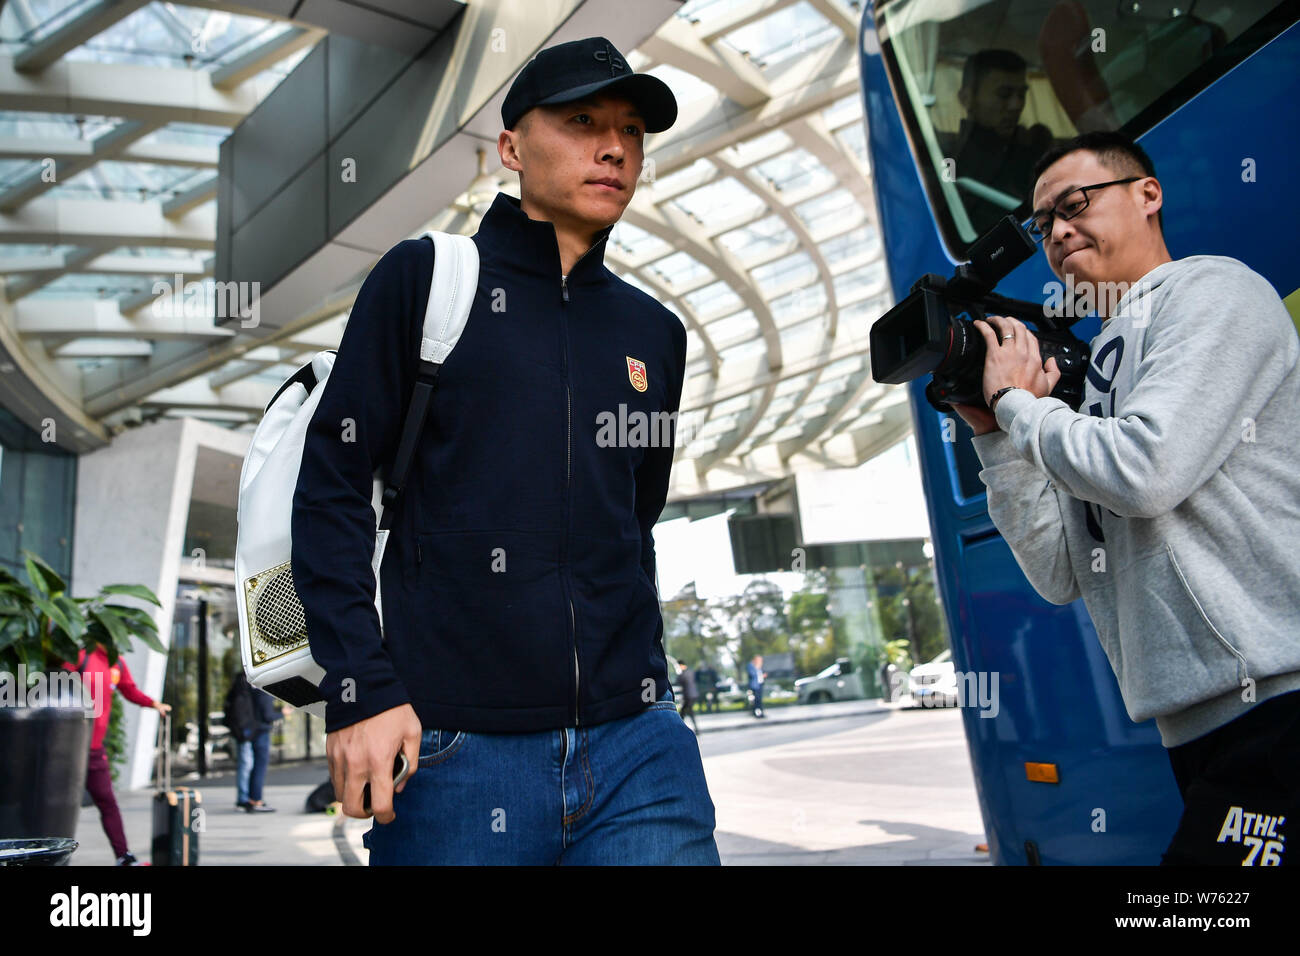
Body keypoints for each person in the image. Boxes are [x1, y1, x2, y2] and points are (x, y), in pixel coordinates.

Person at [291, 36, 719, 864]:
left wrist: (652, 686)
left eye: (632, 131)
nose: (614, 148)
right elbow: (331, 489)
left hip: (640, 753)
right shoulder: (425, 281)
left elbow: (634, 525)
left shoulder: (654, 334)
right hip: (454, 754)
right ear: (512, 148)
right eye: (583, 121)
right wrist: (360, 688)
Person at [952, 130, 1300, 865]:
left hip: (1279, 696)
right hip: (1195, 725)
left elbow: (1146, 470)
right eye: (1043, 223)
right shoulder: (1096, 369)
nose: (1057, 231)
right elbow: (1062, 572)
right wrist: (994, 435)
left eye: (1075, 204)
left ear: (1147, 194)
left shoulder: (1213, 292)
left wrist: (1017, 403)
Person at [63, 643, 171, 866]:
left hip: (94, 750)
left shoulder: (117, 662)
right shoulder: (80, 656)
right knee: (59, 805)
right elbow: (54, 688)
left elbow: (129, 689)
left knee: (108, 802)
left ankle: (123, 857)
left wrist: (154, 704)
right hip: (67, 749)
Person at [939, 49, 1053, 236]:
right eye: (1004, 94)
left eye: (1021, 95)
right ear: (967, 99)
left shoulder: (1033, 148)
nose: (1016, 105)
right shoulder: (950, 162)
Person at [224, 672, 285, 813]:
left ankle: (247, 799)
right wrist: (282, 713)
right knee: (256, 766)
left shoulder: (246, 687)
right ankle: (253, 800)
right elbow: (267, 715)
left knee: (247, 765)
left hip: (248, 731)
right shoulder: (262, 689)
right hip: (258, 732)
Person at [675, 660, 700, 734]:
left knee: (684, 713)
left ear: (681, 665)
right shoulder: (691, 672)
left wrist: (678, 674)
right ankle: (695, 729)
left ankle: (679, 729)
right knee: (686, 712)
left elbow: (678, 681)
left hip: (688, 695)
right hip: (693, 694)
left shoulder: (683, 674)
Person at [747, 654, 767, 719]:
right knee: (756, 700)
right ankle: (756, 713)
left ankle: (760, 712)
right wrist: (757, 667)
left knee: (759, 700)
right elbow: (752, 674)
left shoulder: (758, 666)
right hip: (755, 686)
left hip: (760, 685)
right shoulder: (751, 665)